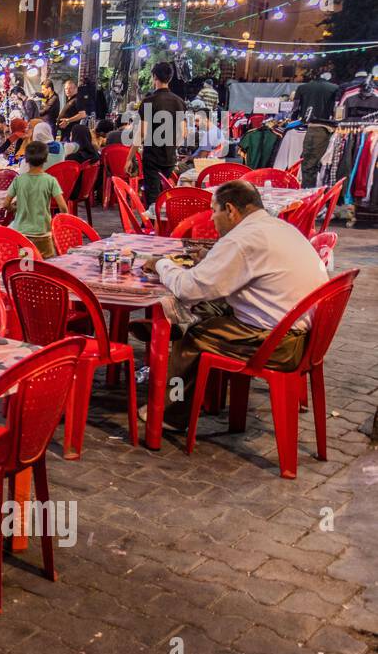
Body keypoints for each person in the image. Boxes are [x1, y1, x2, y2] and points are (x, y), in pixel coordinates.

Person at [140, 180, 328, 427]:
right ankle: (173, 330)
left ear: (230, 210)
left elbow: (188, 289)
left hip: (278, 342)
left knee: (191, 338)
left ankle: (170, 413)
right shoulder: (276, 227)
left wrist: (161, 264)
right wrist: (211, 259)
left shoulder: (242, 239)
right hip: (303, 334)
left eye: (214, 211)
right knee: (207, 308)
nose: (212, 219)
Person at [1, 140, 67, 259]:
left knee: (26, 266)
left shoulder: (19, 180)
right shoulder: (50, 180)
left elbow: (6, 204)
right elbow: (63, 207)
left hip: (22, 234)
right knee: (47, 266)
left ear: (26, 159)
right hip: (43, 232)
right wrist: (60, 224)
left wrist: (14, 208)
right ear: (46, 159)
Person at [135, 61, 188, 205]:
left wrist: (129, 158)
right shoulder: (179, 102)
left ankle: (153, 225)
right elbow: (183, 133)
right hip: (169, 157)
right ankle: (159, 223)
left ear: (154, 77)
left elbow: (141, 133)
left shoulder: (148, 101)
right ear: (169, 78)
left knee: (152, 193)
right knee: (164, 191)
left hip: (151, 156)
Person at [294, 71, 341, 188]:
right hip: (328, 126)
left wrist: (293, 119)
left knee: (309, 163)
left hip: (310, 126)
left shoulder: (302, 87)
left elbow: (295, 108)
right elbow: (338, 109)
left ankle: (308, 191)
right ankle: (320, 192)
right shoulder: (335, 88)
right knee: (325, 164)